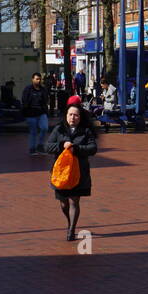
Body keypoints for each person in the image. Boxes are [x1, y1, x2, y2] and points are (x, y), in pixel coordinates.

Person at [46, 99, 99, 242]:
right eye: (70, 115)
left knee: (74, 201)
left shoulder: (86, 131)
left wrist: (77, 149)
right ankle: (69, 221)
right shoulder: (59, 129)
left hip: (79, 172)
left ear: (80, 117)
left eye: (76, 115)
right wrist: (62, 145)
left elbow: (93, 149)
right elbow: (48, 146)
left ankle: (71, 229)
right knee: (63, 203)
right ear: (66, 115)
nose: (72, 118)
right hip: (61, 173)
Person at [21, 72, 50, 158]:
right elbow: (24, 100)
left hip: (41, 112)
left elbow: (45, 100)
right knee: (33, 131)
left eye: (39, 79)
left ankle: (40, 145)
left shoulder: (43, 90)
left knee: (45, 128)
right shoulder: (28, 89)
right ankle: (32, 148)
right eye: (37, 79)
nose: (38, 81)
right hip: (30, 114)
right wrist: (26, 109)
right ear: (32, 79)